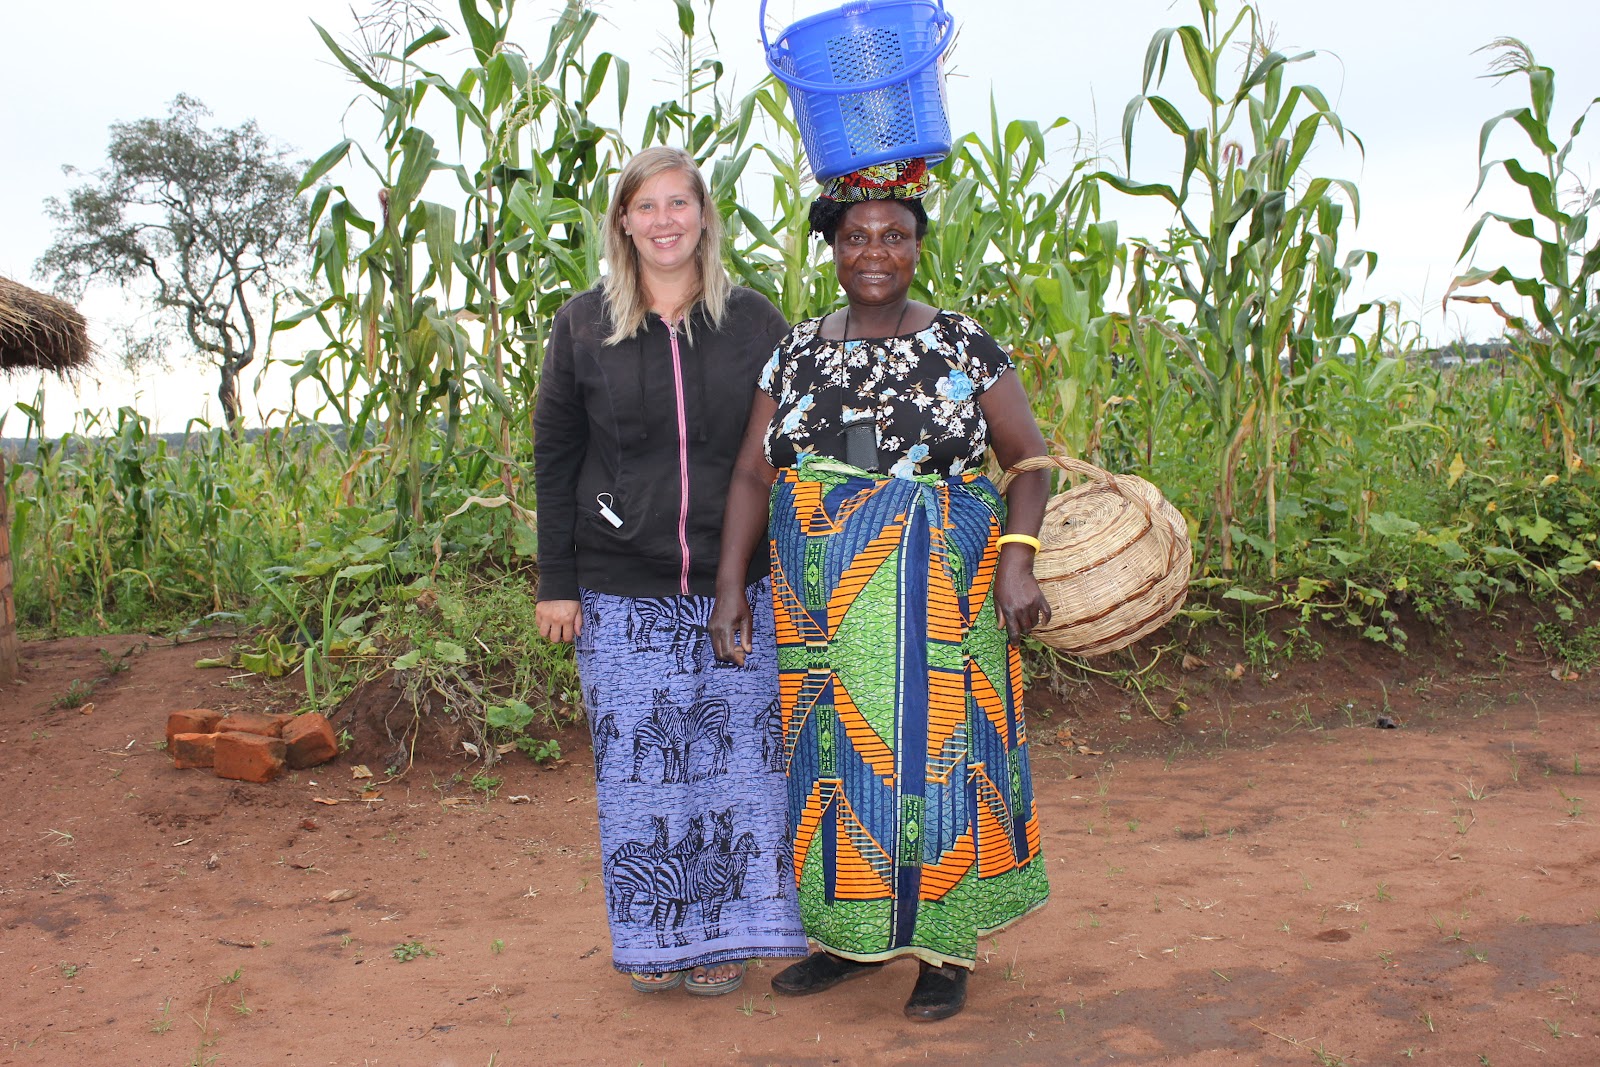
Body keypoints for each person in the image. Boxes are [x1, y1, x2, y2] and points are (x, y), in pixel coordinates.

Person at [708, 158, 1053, 1022]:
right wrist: (729, 584)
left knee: (937, 761)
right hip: (822, 609)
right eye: (857, 236)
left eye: (894, 235)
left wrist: (1017, 559)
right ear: (831, 246)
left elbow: (1030, 460)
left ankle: (942, 949)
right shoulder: (795, 351)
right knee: (833, 762)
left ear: (918, 247)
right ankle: (848, 938)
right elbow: (752, 474)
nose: (875, 251)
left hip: (939, 600)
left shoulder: (961, 342)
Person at [534, 145, 808, 996]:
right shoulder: (583, 326)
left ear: (703, 216)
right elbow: (555, 455)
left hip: (738, 587)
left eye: (679, 203)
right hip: (622, 595)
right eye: (646, 206)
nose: (664, 221)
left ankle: (725, 940)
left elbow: (790, 448)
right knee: (642, 784)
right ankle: (658, 942)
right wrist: (556, 580)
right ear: (623, 221)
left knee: (738, 777)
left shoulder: (753, 322)